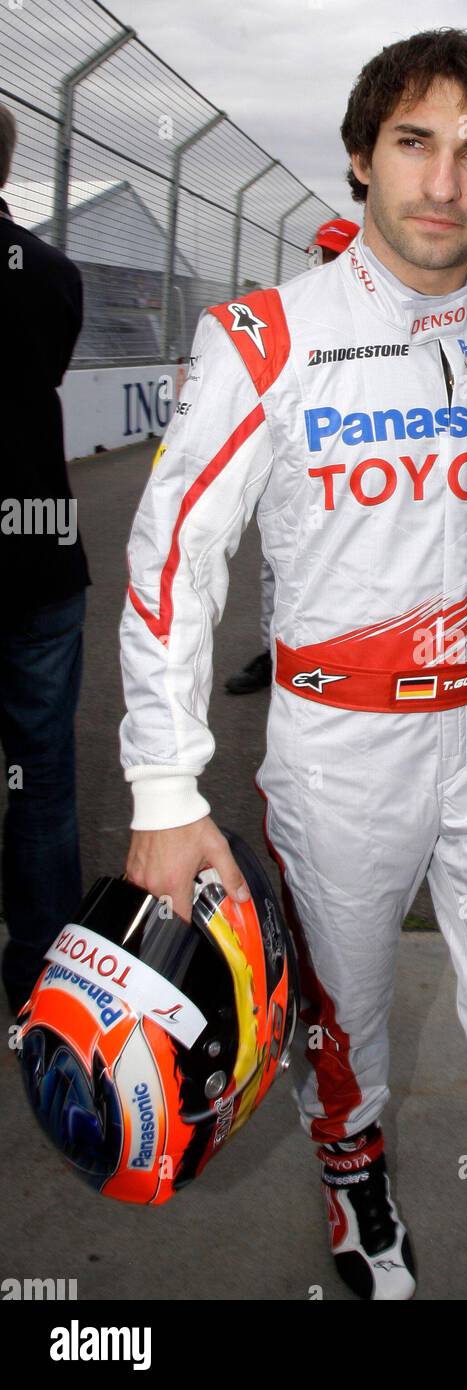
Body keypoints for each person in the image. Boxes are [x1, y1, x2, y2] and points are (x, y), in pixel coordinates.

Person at [118, 28, 467, 1301]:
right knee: (342, 1033)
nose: (443, 183)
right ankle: (355, 1186)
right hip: (337, 751)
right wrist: (164, 788)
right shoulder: (263, 337)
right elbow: (175, 560)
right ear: (360, 157)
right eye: (415, 143)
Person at [0, 104, 91, 1016]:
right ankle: (40, 969)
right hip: (39, 558)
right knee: (43, 772)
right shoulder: (53, 274)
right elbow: (49, 373)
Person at [225, 216, 360, 695]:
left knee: (350, 559)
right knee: (275, 559)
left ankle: (341, 653)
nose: (326, 259)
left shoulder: (376, 310)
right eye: (322, 251)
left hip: (353, 463)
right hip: (295, 456)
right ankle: (274, 653)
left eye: (335, 251)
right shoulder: (294, 308)